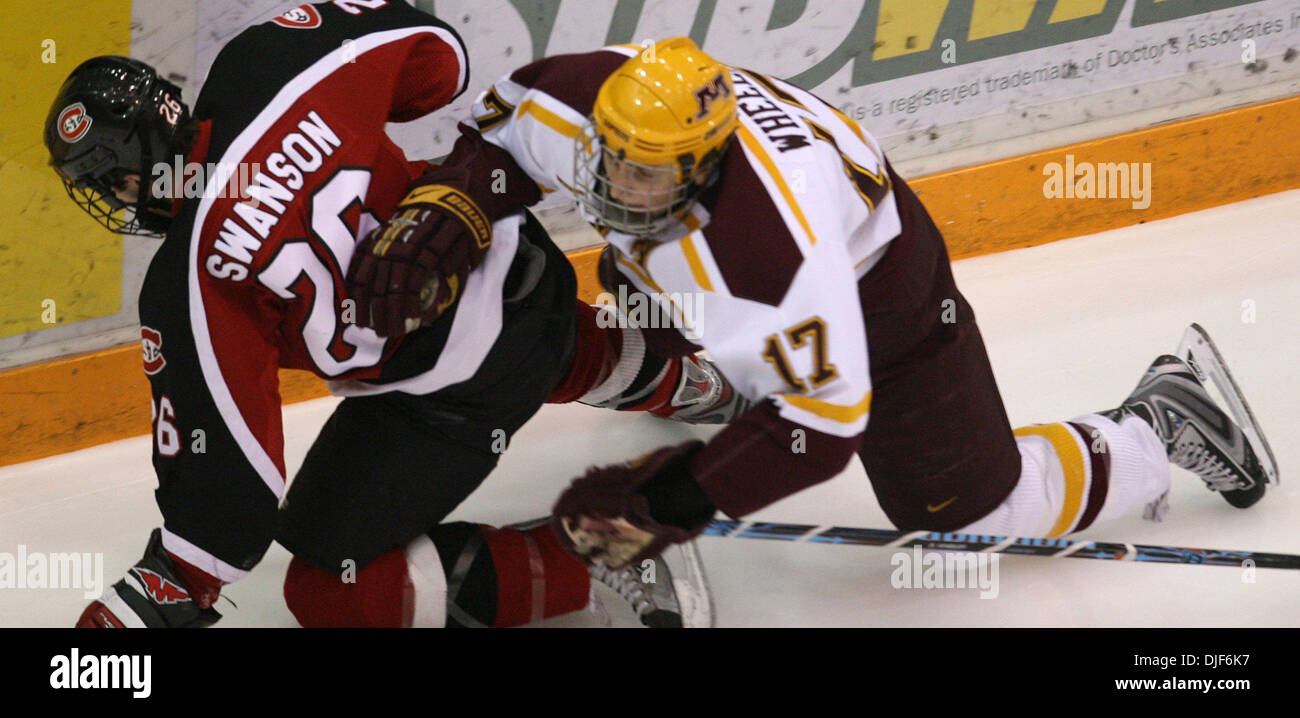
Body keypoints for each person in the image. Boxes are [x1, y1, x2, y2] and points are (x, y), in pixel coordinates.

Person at [356, 37, 1277, 574]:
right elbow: (505, 141)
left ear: (705, 164)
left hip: (884, 297)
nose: (610, 184)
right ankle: (720, 386)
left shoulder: (769, 255)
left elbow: (822, 428)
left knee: (972, 522)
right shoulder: (585, 105)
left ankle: (1158, 424)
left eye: (642, 176)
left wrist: (670, 500)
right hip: (722, 287)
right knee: (630, 289)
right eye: (609, 154)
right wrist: (458, 200)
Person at [46, 2, 738, 628]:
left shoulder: (189, 284)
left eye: (108, 181)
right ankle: (704, 385)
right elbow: (442, 57)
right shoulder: (266, 61)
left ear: (130, 172)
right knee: (540, 333)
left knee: (329, 591)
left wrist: (153, 600)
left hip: (457, 386)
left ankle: (603, 553)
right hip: (510, 249)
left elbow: (230, 490)